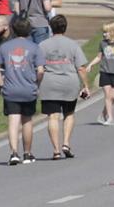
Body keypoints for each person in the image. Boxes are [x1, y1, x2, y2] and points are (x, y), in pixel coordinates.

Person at [36, 15, 89, 160]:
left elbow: (39, 67)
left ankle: (56, 150)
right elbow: (81, 68)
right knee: (69, 114)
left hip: (49, 84)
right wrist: (86, 86)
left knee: (53, 116)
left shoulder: (42, 45)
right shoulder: (73, 45)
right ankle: (66, 143)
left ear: (51, 28)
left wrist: (36, 84)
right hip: (69, 84)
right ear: (65, 27)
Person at [86, 22, 114, 126]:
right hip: (105, 72)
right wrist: (91, 64)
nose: (104, 34)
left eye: (106, 32)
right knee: (108, 96)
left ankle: (103, 114)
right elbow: (99, 57)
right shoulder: (102, 43)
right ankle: (110, 118)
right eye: (103, 32)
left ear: (113, 32)